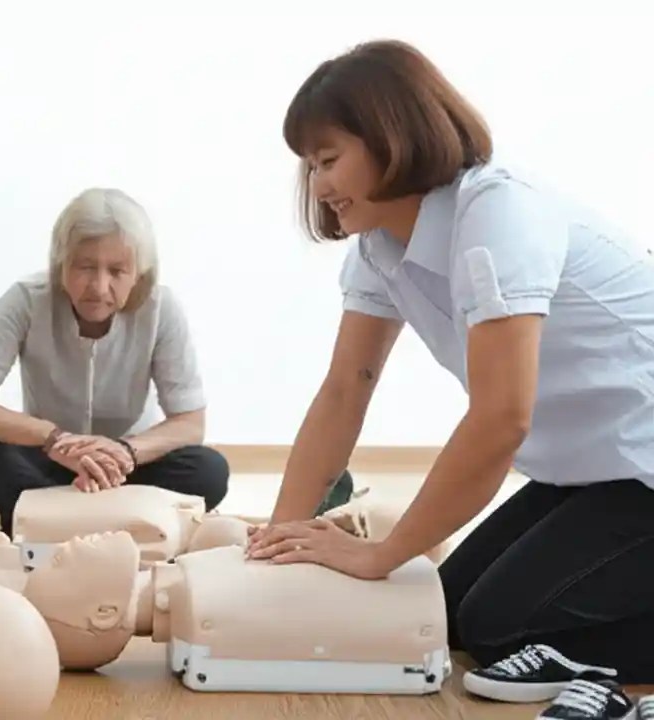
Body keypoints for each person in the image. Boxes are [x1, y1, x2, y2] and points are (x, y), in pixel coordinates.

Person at [246, 38, 654, 694]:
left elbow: (501, 419)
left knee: (499, 626)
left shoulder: (499, 213)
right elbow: (345, 390)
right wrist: (279, 538)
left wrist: (382, 554)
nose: (317, 186)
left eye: (328, 160)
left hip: (643, 463)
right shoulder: (380, 248)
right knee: (453, 614)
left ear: (391, 138)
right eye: (310, 166)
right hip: (597, 471)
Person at [0, 187, 231, 534]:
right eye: (86, 267)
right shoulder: (27, 300)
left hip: (126, 468)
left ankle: (50, 520)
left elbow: (190, 423)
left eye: (116, 271)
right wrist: (53, 439)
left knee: (209, 470)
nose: (99, 287)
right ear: (61, 264)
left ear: (139, 273)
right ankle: (99, 520)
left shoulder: (162, 308)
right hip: (45, 460)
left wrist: (125, 451)